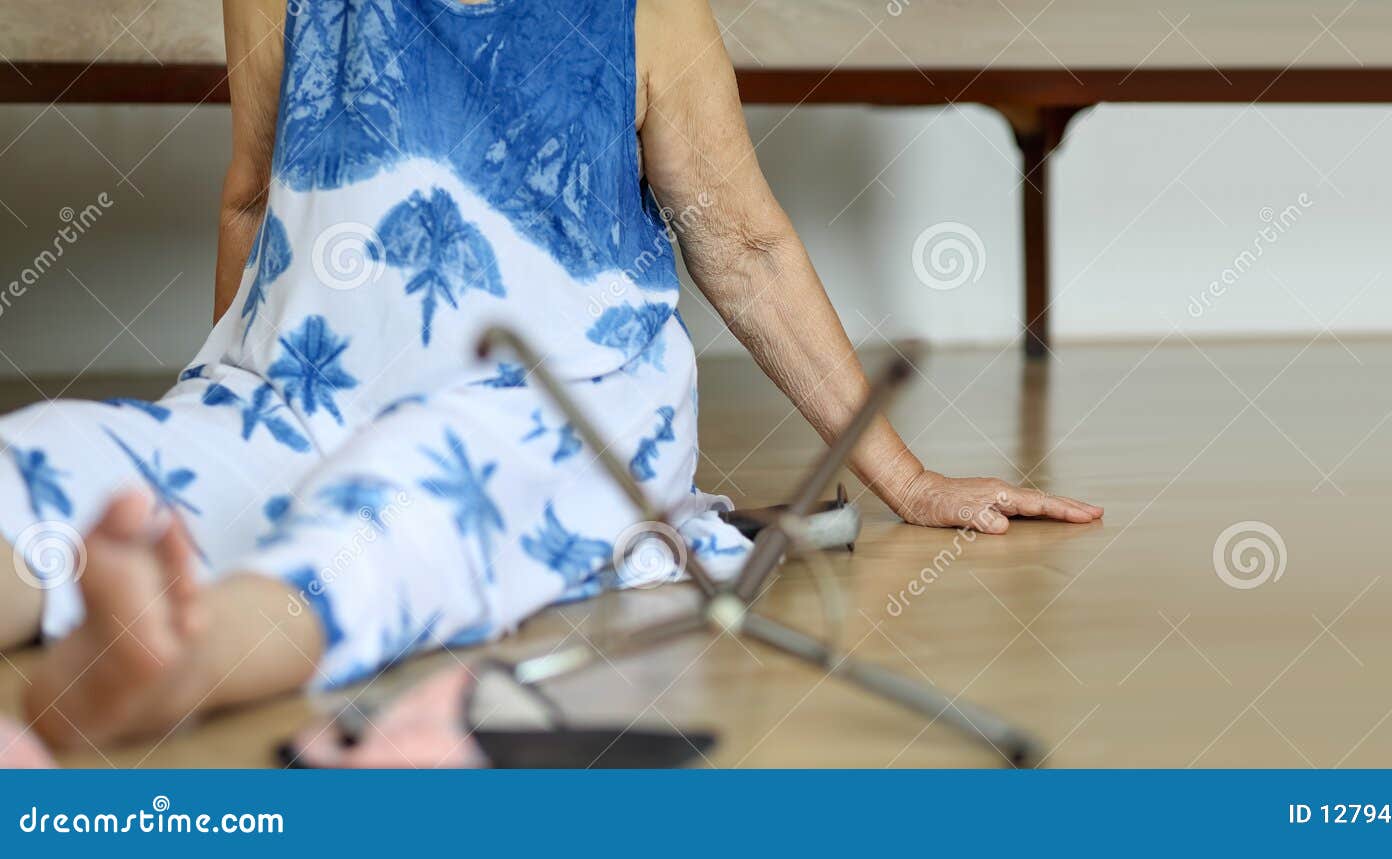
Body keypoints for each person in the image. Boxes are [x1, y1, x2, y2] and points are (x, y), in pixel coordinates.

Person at [0, 0, 1101, 750]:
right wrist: (226, 414)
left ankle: (156, 666)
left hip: (553, 414)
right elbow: (252, 198)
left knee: (398, 512)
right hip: (307, 387)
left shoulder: (645, 11)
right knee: (60, 450)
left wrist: (905, 483)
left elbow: (747, 248)